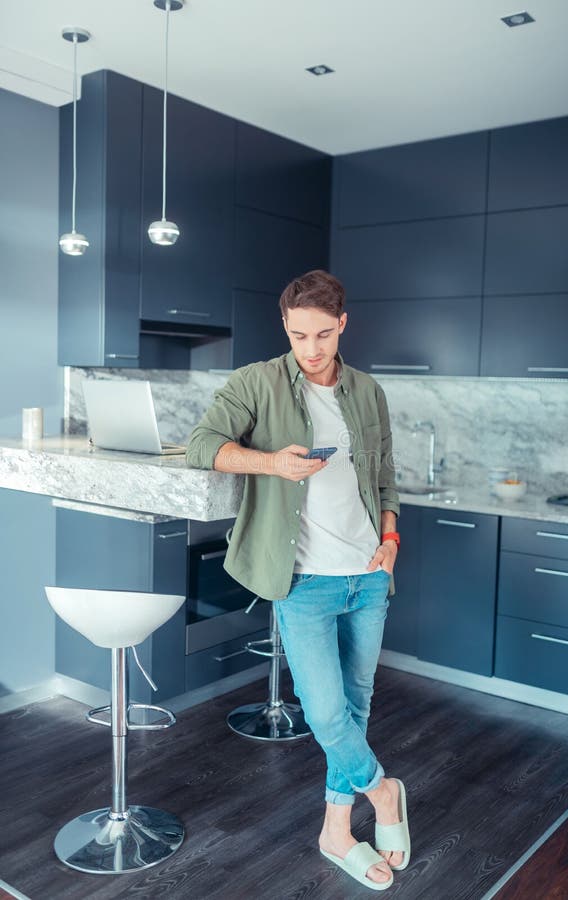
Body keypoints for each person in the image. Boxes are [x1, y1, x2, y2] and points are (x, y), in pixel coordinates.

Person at [186, 269, 410, 891]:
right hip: (305, 582)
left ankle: (336, 832)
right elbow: (202, 444)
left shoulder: (368, 391)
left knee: (355, 709)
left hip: (368, 575)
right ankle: (384, 793)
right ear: (284, 327)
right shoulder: (256, 382)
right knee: (326, 715)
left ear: (343, 325)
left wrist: (391, 541)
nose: (311, 348)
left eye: (323, 334)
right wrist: (269, 463)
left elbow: (385, 477)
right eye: (298, 335)